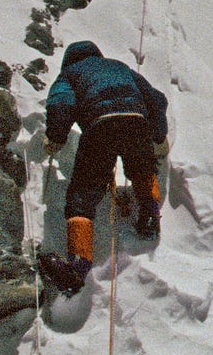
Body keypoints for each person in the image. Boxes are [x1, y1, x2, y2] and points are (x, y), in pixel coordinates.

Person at [36, 40, 169, 290]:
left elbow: (61, 104)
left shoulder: (71, 73)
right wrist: (159, 135)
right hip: (137, 121)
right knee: (142, 168)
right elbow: (156, 99)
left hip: (100, 127)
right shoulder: (120, 67)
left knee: (82, 197)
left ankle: (78, 266)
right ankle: (150, 215)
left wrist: (56, 137)